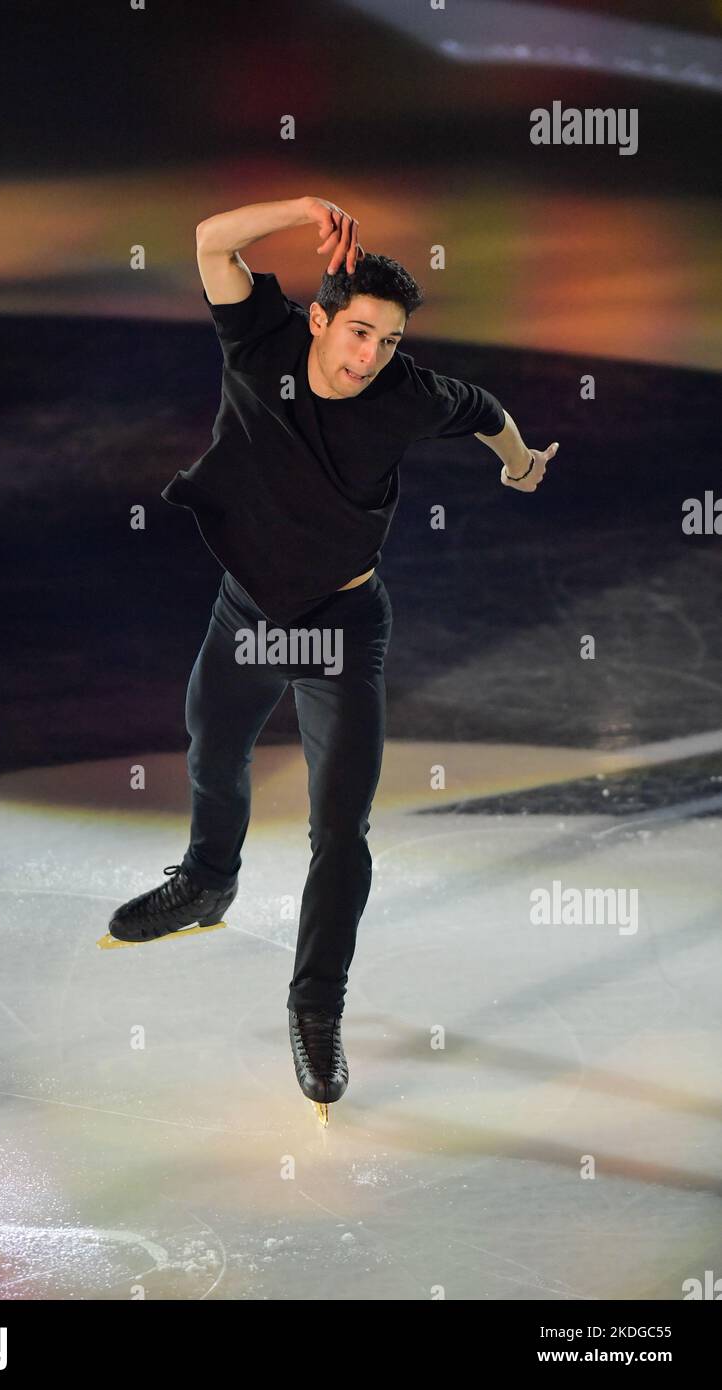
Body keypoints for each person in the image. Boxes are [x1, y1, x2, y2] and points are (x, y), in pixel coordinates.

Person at [105, 197, 559, 1115]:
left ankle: (317, 1010)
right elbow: (208, 240)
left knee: (338, 828)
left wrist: (518, 463)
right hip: (248, 614)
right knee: (212, 750)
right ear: (318, 319)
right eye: (358, 333)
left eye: (389, 341)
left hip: (345, 629)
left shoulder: (405, 397)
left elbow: (486, 409)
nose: (369, 357)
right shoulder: (260, 342)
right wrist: (305, 208)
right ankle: (206, 881)